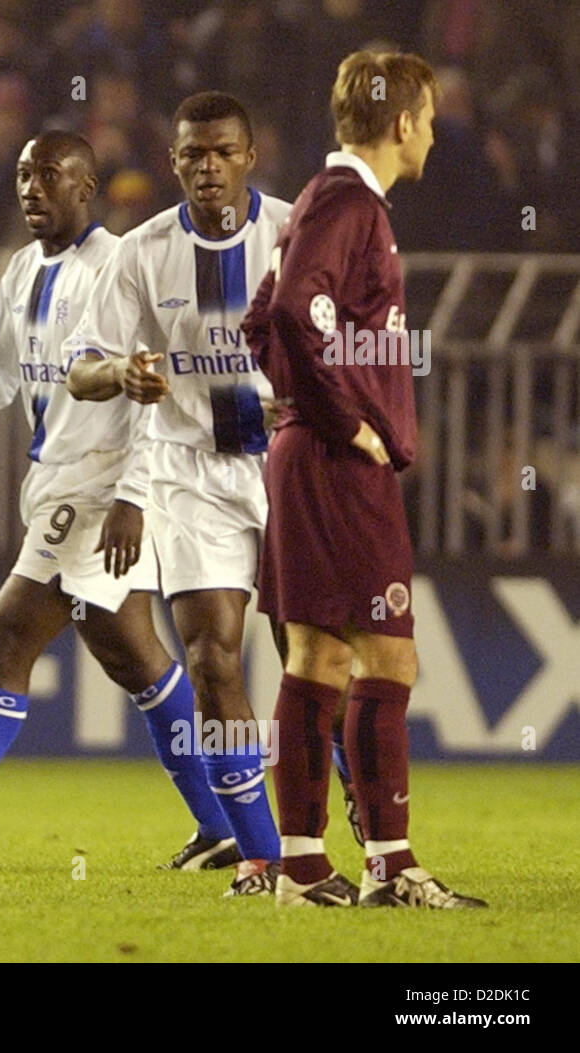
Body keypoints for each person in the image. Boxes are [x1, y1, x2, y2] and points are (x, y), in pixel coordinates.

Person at [0, 131, 239, 872]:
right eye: (24, 173)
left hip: (101, 486)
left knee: (5, 639)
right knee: (139, 662)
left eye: (50, 175)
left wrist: (131, 497)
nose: (32, 187)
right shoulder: (24, 269)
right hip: (59, 482)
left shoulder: (118, 268)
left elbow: (154, 389)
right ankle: (223, 827)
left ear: (85, 186)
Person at [242, 50, 486, 908]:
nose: (429, 131)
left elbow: (259, 319)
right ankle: (391, 862)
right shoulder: (351, 204)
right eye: (426, 117)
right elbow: (281, 314)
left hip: (309, 454)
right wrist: (346, 422)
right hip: (339, 463)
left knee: (319, 659)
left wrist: (301, 415)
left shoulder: (324, 198)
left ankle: (306, 864)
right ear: (402, 123)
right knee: (388, 656)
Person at [65, 91, 290, 896]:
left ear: (249, 155)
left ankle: (351, 830)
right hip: (190, 473)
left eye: (223, 152)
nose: (208, 167)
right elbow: (81, 366)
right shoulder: (142, 252)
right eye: (193, 154)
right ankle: (264, 857)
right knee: (211, 659)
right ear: (174, 161)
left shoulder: (293, 236)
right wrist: (118, 373)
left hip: (287, 464)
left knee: (311, 659)